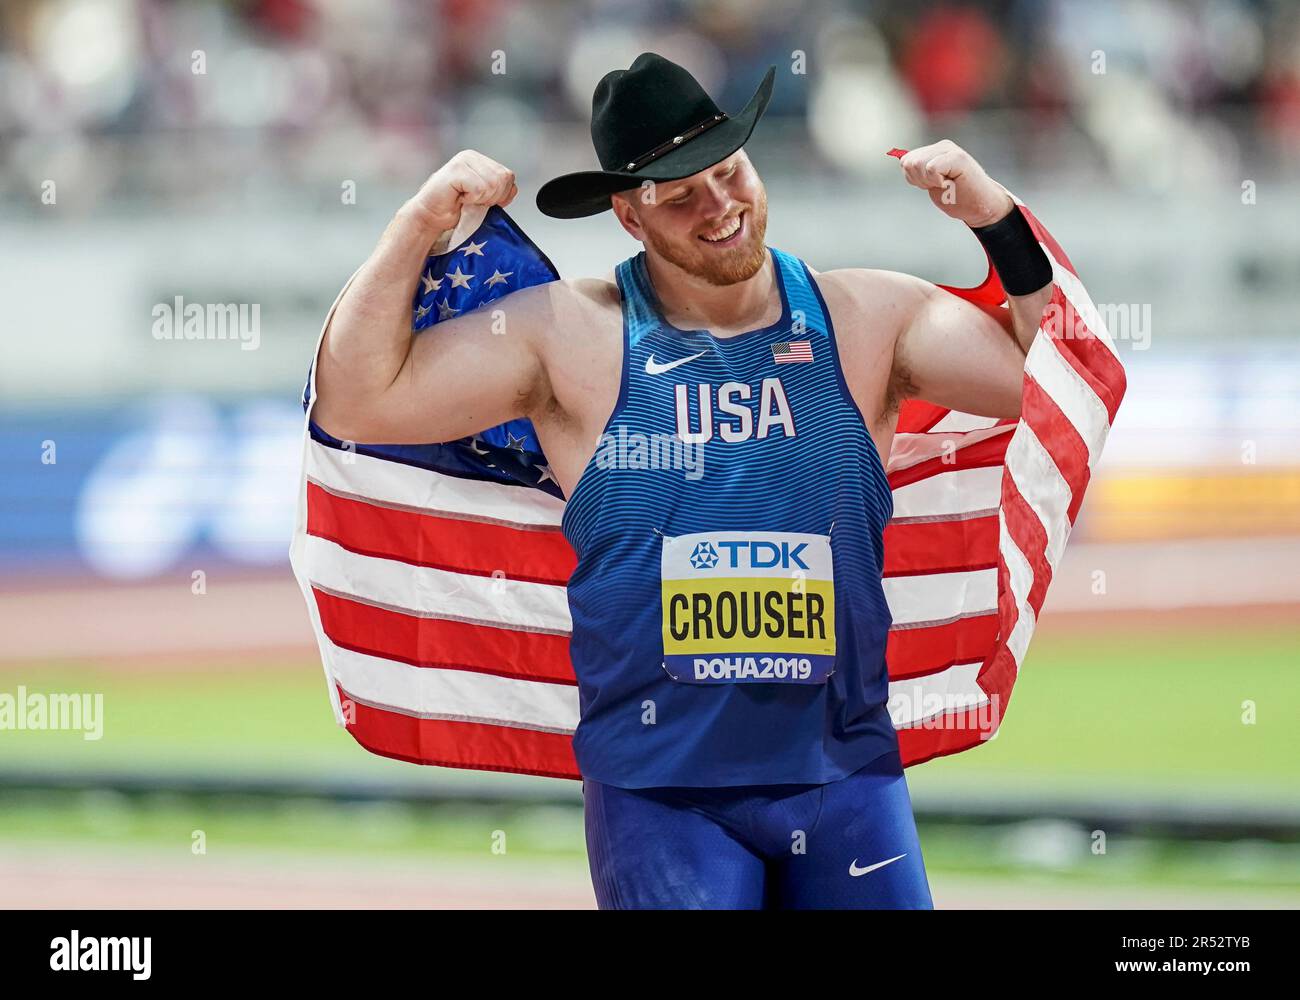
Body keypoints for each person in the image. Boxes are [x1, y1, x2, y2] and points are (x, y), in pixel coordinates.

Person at [311, 53, 1054, 909]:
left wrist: (995, 218)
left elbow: (1060, 380)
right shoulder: (567, 338)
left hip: (845, 777)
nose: (720, 206)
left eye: (728, 173)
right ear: (629, 215)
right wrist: (415, 225)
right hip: (661, 799)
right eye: (680, 194)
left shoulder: (868, 319)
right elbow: (358, 399)